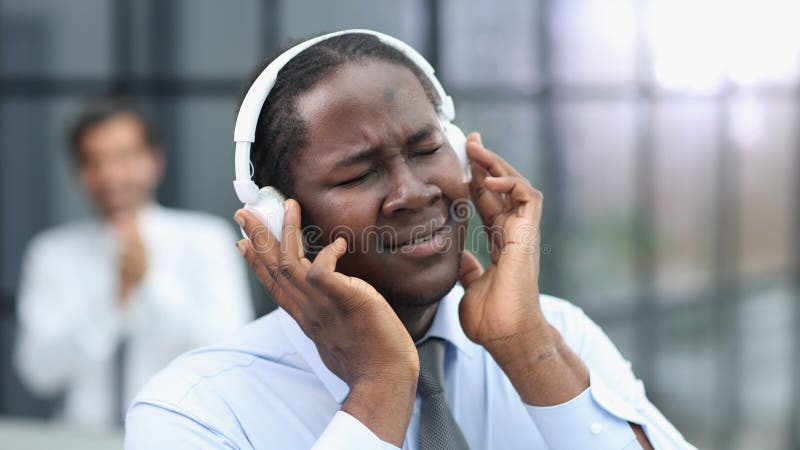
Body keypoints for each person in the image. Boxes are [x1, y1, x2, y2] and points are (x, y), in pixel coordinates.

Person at [126, 32, 695, 449]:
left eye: (426, 150)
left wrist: (528, 347)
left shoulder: (558, 337)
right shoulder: (193, 411)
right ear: (278, 219)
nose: (414, 192)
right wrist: (380, 385)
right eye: (358, 173)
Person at [13, 101, 254, 429]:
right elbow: (38, 371)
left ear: (155, 162)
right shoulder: (52, 254)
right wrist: (114, 301)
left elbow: (228, 348)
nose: (109, 175)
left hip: (182, 433)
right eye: (93, 161)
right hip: (81, 435)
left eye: (123, 157)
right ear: (79, 173)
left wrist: (150, 282)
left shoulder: (204, 240)